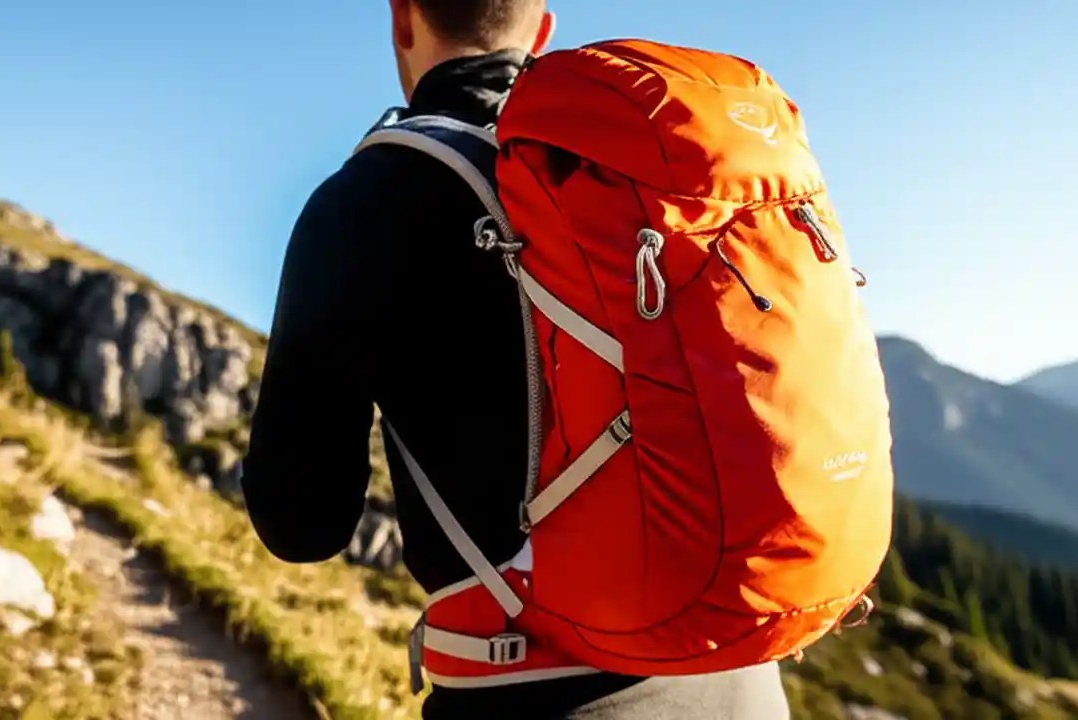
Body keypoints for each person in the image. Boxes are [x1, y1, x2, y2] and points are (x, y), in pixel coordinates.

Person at [240, 1, 792, 717]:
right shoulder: (631, 168)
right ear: (542, 30)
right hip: (741, 675)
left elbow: (301, 527)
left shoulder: (361, 203)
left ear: (402, 19)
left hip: (528, 692)